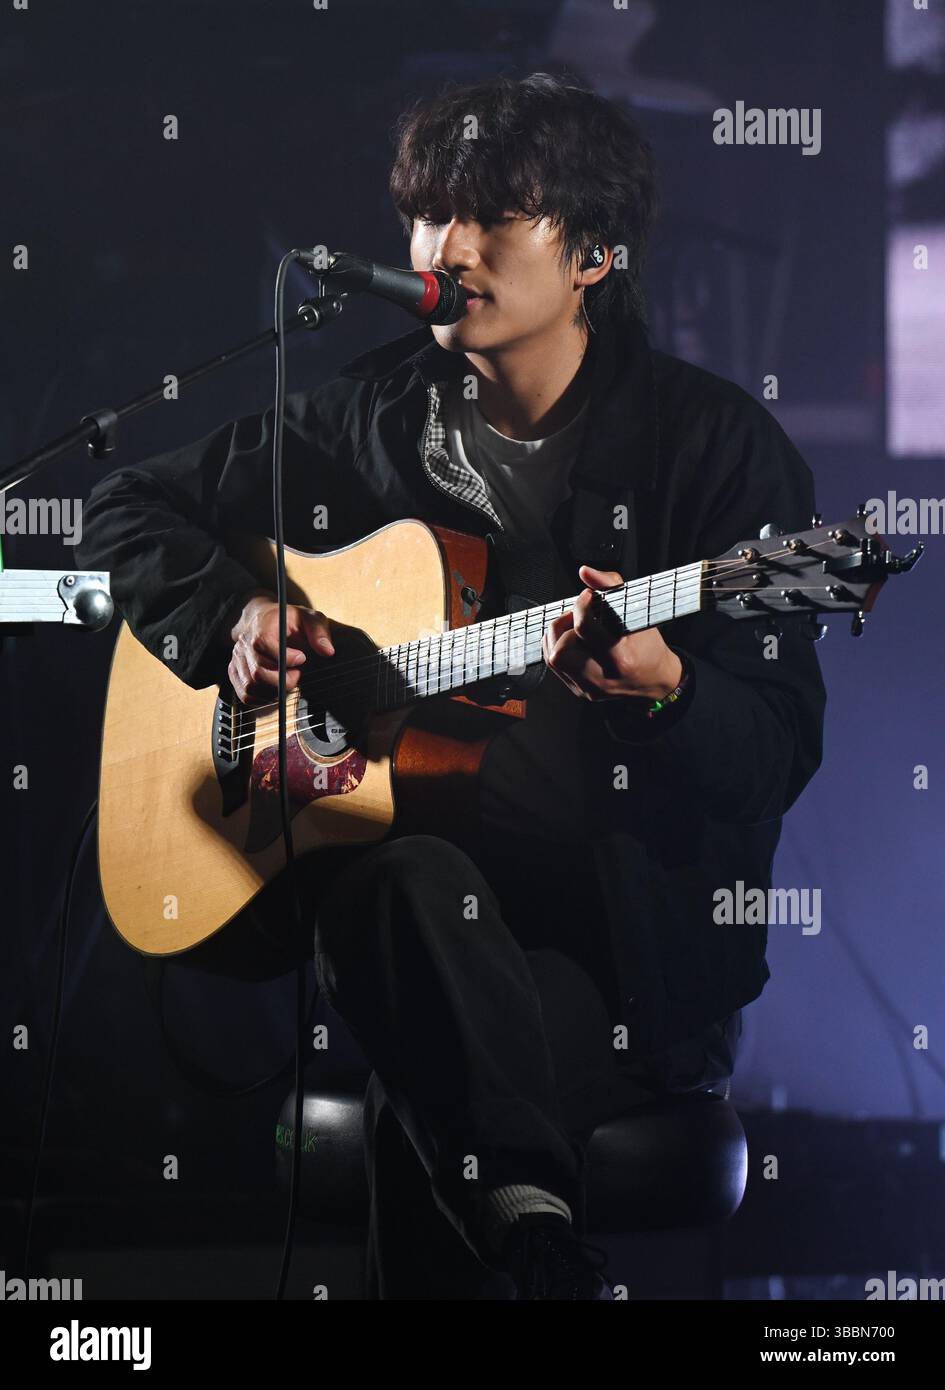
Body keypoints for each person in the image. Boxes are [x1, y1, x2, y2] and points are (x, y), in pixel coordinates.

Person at [75, 72, 826, 1300]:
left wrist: (669, 689)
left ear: (594, 254)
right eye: (432, 214)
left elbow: (774, 751)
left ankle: (519, 1222)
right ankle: (531, 1235)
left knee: (418, 1093)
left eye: (495, 215)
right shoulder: (376, 414)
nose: (447, 249)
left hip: (613, 955)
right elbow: (125, 501)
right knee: (405, 883)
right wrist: (235, 617)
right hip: (412, 926)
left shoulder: (715, 451)